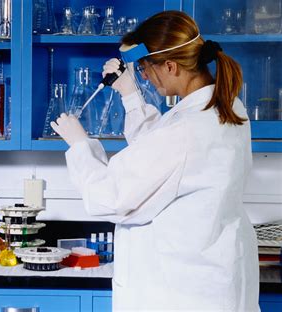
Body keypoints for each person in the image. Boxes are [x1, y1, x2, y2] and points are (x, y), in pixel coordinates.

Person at [51, 10, 259, 311]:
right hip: (212, 284)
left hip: (178, 293)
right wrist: (129, 93)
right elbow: (163, 158)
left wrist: (80, 145)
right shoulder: (225, 108)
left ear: (171, 66)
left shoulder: (187, 130)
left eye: (145, 68)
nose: (144, 75)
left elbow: (110, 196)